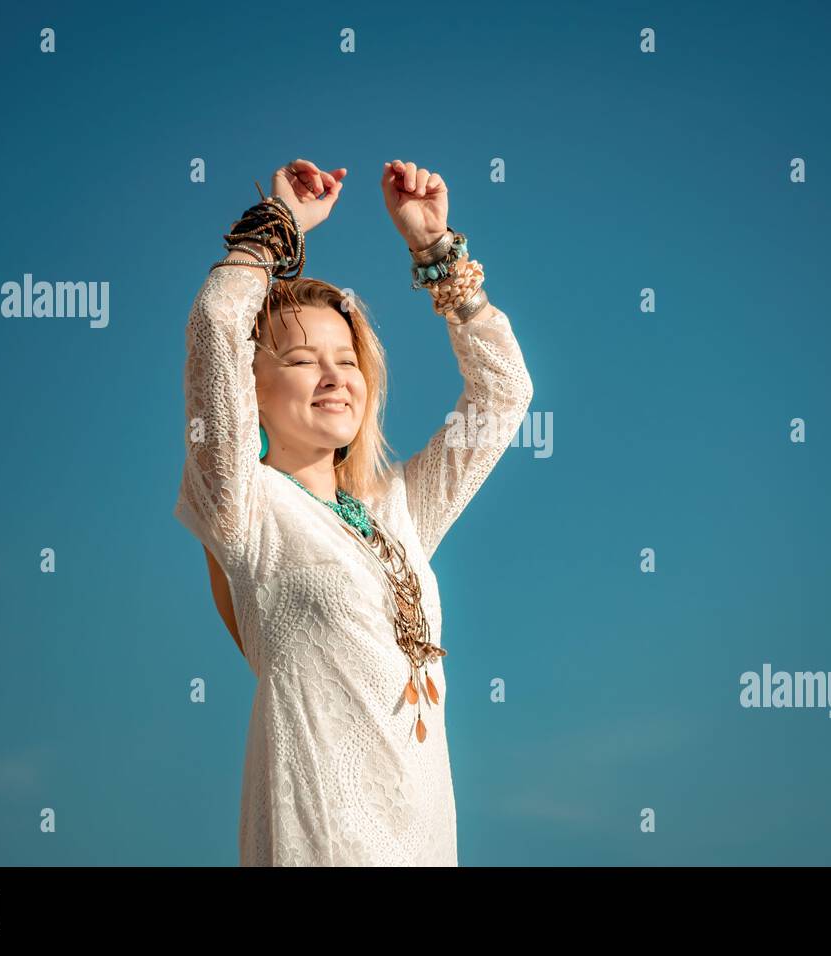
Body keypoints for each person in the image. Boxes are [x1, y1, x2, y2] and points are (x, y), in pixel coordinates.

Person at [173, 158, 534, 865]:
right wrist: (275, 230)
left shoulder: (396, 511)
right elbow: (218, 323)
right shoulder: (243, 504)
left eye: (348, 359)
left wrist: (435, 250)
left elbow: (503, 394)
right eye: (303, 360)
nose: (336, 375)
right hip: (321, 840)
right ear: (251, 390)